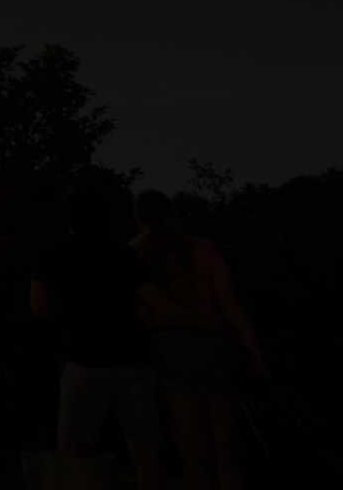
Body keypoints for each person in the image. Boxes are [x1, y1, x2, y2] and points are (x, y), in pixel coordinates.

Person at [30, 184, 165, 489]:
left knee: (74, 454)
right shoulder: (123, 255)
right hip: (133, 362)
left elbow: (39, 307)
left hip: (83, 361)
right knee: (144, 453)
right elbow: (152, 304)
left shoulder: (53, 255)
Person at [133, 189, 264, 490]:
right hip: (214, 348)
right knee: (226, 445)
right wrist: (251, 348)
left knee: (192, 447)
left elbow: (143, 313)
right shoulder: (202, 249)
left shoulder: (136, 254)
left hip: (172, 354)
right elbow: (230, 304)